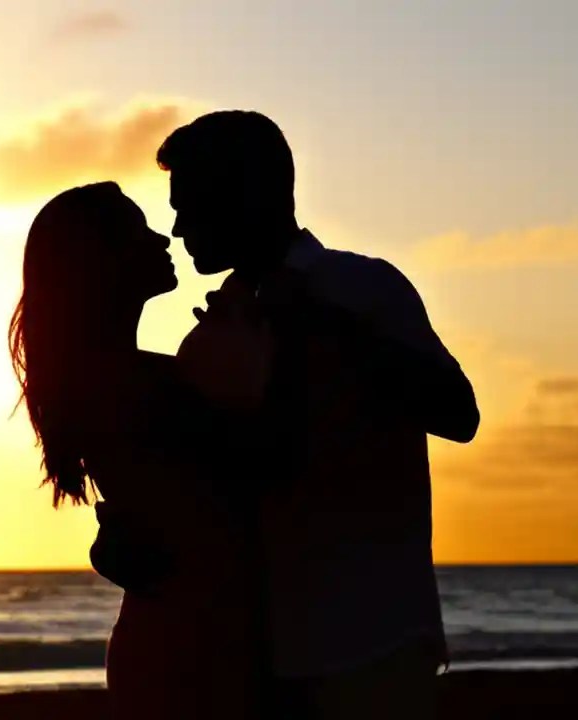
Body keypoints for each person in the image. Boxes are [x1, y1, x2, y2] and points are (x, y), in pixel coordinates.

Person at [96, 110, 480, 719]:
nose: (179, 227)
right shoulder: (207, 338)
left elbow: (458, 413)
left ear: (245, 197)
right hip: (259, 658)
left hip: (374, 643)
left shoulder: (361, 287)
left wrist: (325, 325)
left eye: (191, 206)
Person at [9, 182, 263, 718]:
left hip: (176, 639)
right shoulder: (131, 386)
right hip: (189, 651)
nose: (162, 238)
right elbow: (256, 476)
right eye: (138, 230)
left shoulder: (116, 378)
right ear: (101, 262)